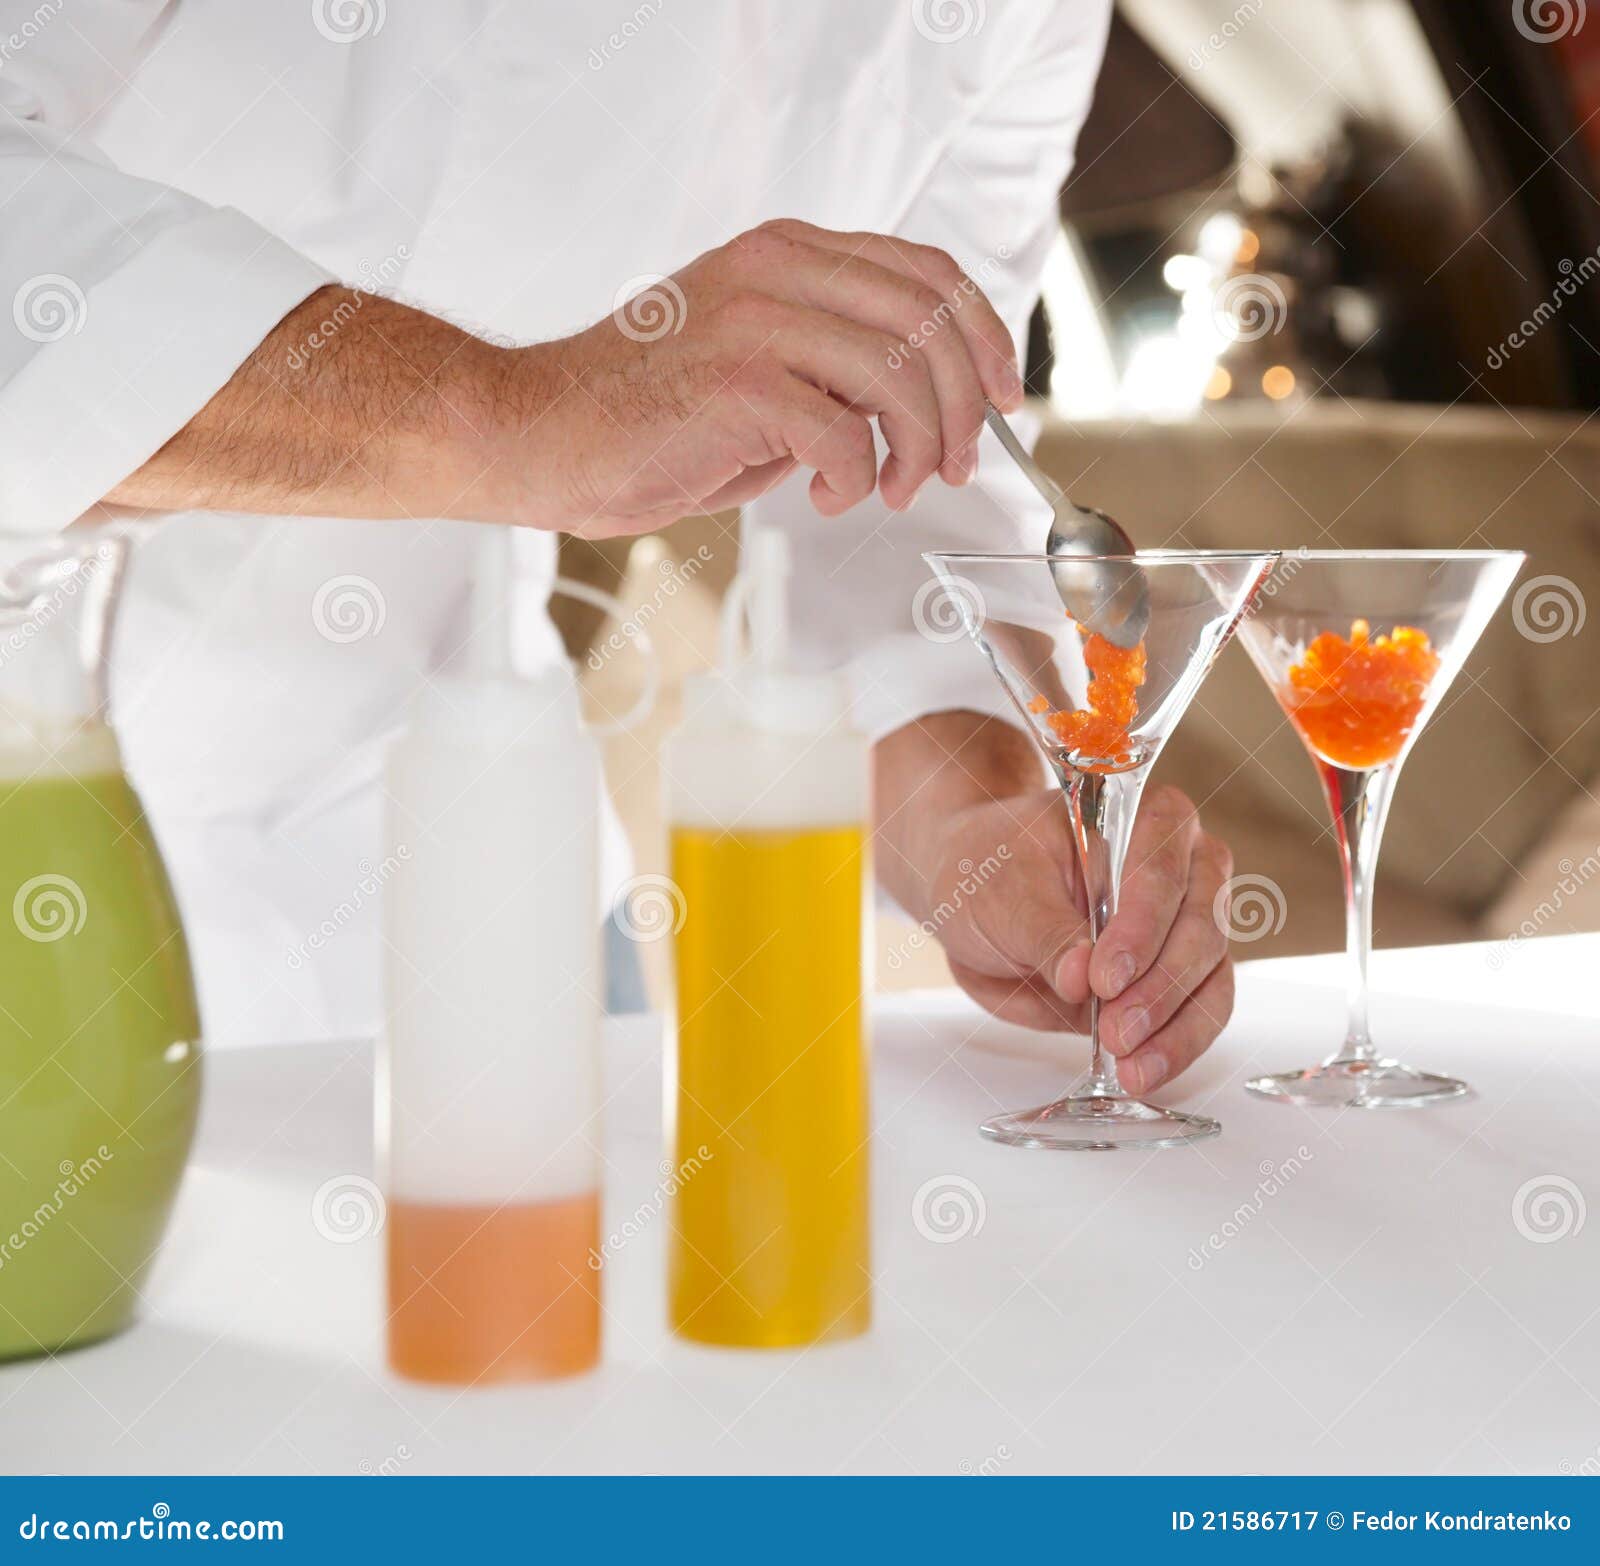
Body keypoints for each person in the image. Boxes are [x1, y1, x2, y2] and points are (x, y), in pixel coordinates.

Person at [0, 0, 1233, 1095]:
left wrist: (973, 831)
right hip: (45, 822)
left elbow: (896, 485)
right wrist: (519, 417)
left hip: (461, 876)